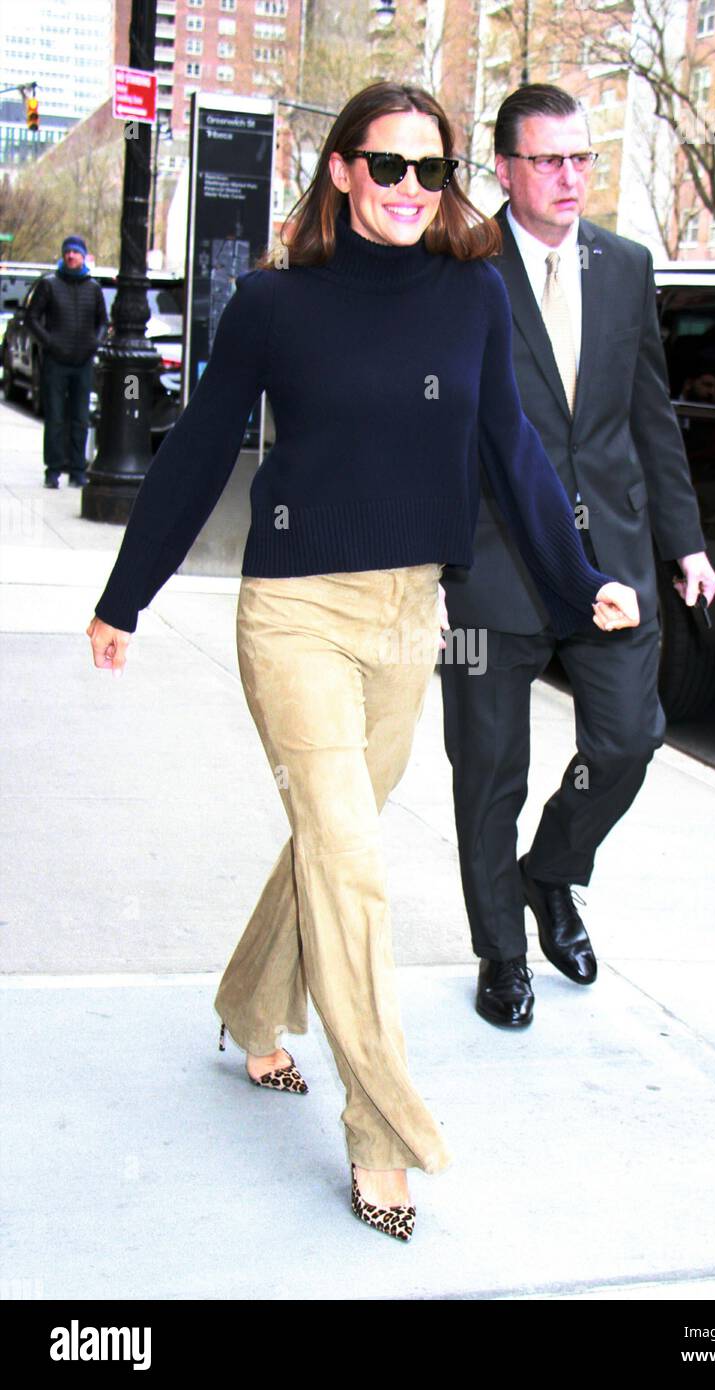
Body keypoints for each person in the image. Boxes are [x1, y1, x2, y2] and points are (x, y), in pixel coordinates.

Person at [85, 82, 639, 1242]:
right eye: (383, 167)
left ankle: (249, 1002)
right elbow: (194, 450)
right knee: (354, 862)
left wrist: (575, 571)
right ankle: (381, 1127)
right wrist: (125, 594)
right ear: (339, 171)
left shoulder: (471, 299)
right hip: (291, 617)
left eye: (426, 171)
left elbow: (515, 458)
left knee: (325, 847)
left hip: (405, 622)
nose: (405, 190)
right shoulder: (275, 306)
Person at [440, 84, 715, 1030]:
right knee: (489, 767)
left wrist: (683, 545)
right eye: (549, 161)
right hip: (493, 558)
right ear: (507, 169)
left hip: (614, 559)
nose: (570, 178)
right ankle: (502, 954)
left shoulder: (625, 265)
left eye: (582, 159)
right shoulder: (459, 265)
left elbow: (650, 416)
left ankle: (552, 872)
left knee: (629, 739)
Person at [23, 235, 108, 488]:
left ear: (83, 256)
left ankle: (78, 469)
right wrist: (49, 342)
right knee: (56, 417)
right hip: (56, 361)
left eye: (76, 252)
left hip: (83, 361)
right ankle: (54, 469)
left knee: (80, 418)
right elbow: (32, 318)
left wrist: (95, 342)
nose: (71, 256)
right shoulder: (49, 285)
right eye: (67, 252)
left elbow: (102, 321)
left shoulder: (92, 288)